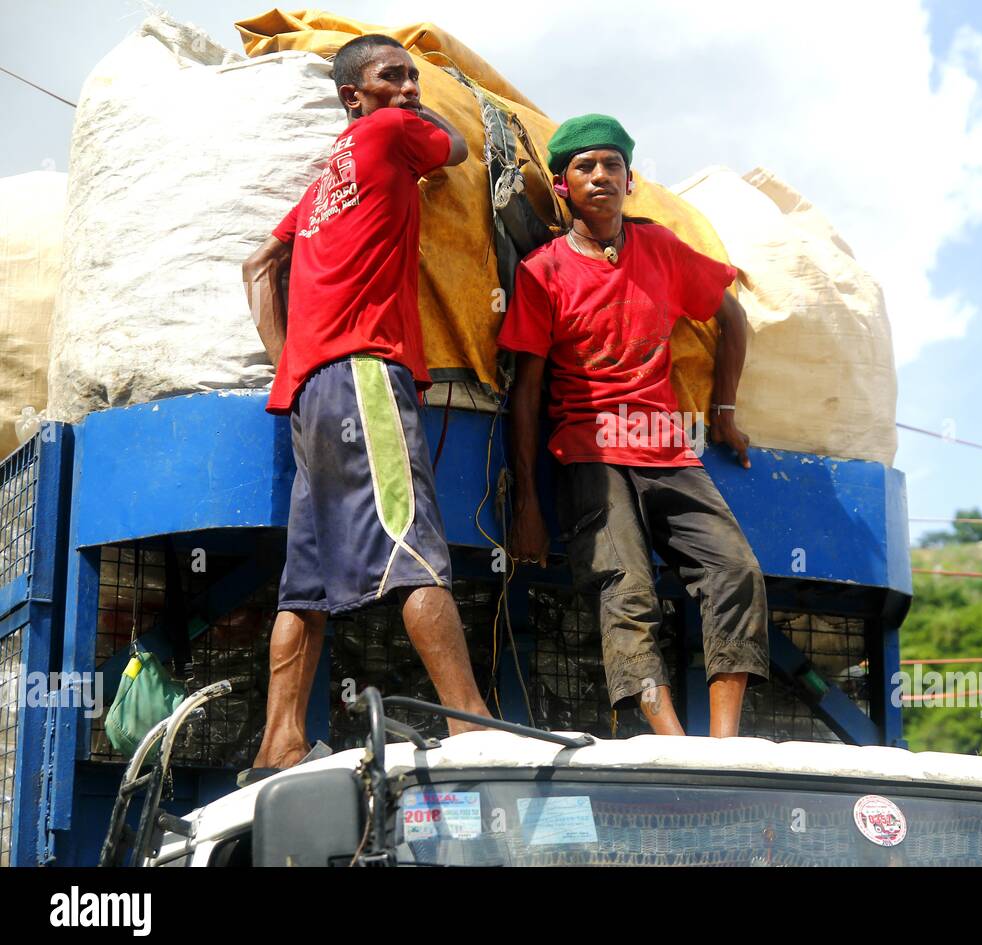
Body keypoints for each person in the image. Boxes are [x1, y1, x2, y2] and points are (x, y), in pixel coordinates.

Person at [240, 34, 491, 783]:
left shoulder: (318, 190)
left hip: (309, 396)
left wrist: (290, 360)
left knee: (305, 586)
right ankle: (470, 721)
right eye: (393, 76)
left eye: (415, 77)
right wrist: (434, 111)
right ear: (354, 97)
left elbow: (259, 265)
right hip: (366, 376)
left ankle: (278, 743)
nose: (410, 88)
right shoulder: (388, 132)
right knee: (414, 552)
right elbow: (452, 149)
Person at [499, 114, 769, 738]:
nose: (601, 176)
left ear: (630, 178)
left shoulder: (662, 249)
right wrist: (529, 505)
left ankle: (723, 746)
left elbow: (732, 318)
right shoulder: (542, 272)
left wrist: (724, 415)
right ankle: (673, 742)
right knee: (629, 587)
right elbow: (527, 393)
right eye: (585, 167)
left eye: (612, 165)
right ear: (563, 185)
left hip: (667, 448)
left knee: (736, 570)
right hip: (590, 449)